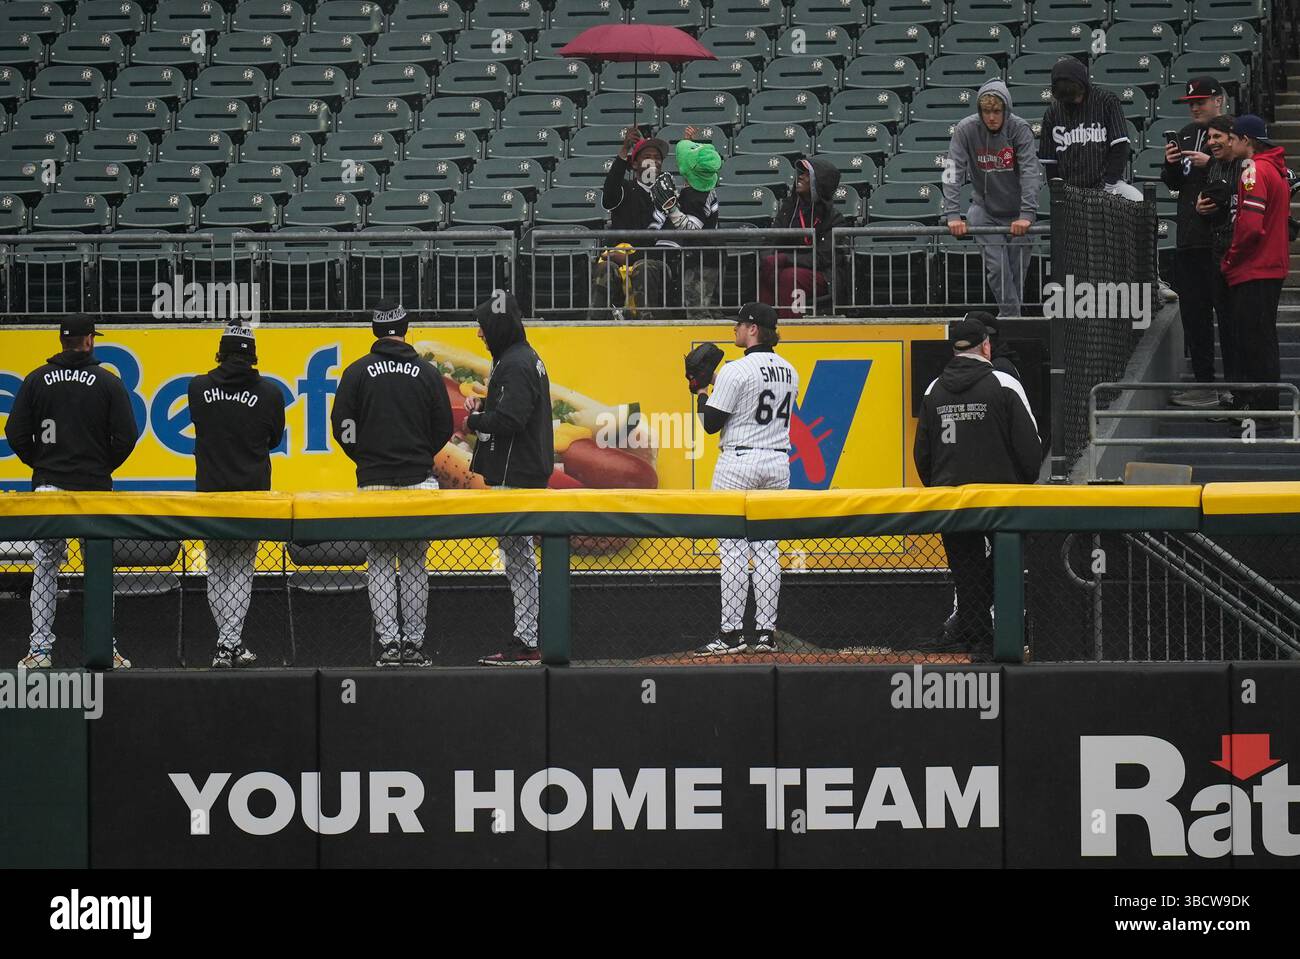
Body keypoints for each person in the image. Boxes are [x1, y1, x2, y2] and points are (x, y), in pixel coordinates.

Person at [3, 315, 137, 669]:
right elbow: (126, 436)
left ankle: (40, 650)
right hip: (94, 488)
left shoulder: (36, 380)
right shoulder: (107, 381)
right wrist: (101, 466)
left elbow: (15, 432)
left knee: (45, 567)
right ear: (89, 341)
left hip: (49, 486)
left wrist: (43, 462)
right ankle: (105, 648)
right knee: (99, 569)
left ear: (62, 342)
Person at [331, 299, 453, 666]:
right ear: (405, 328)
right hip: (418, 481)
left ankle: (389, 646)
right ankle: (414, 646)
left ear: (374, 331)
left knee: (381, 562)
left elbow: (342, 427)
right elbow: (444, 428)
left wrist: (366, 459)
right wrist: (418, 455)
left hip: (374, 483)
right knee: (415, 563)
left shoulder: (356, 372)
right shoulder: (428, 373)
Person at [913, 317, 1041, 660]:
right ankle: (994, 643)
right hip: (1001, 497)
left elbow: (921, 455)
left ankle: (979, 639)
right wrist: (1021, 485)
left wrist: (942, 487)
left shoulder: (933, 389)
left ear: (955, 349)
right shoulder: (1004, 383)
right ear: (986, 346)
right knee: (1004, 564)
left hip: (954, 498)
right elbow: (1031, 448)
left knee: (966, 571)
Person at [691, 302, 799, 656]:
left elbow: (711, 424)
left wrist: (702, 392)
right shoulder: (790, 370)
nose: (735, 329)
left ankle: (731, 635)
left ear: (753, 329)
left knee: (734, 551)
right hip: (777, 461)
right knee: (767, 550)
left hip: (739, 461)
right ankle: (766, 634)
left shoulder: (737, 370)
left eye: (739, 324)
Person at [187, 324, 286, 668]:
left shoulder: (198, 387)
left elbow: (201, 425)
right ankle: (228, 644)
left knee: (217, 569)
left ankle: (226, 644)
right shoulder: (271, 393)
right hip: (251, 491)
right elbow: (274, 440)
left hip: (211, 490)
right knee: (242, 569)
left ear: (221, 353)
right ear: (252, 356)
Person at [469, 294, 554, 666]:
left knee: (518, 561)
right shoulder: (519, 355)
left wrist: (474, 421)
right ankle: (527, 638)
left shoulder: (516, 362)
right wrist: (486, 408)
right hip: (521, 471)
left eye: (485, 327)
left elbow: (511, 421)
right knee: (519, 560)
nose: (480, 334)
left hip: (515, 477)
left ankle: (527, 641)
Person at [943, 80, 1043, 317]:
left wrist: (1027, 214)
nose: (991, 118)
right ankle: (1012, 319)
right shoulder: (966, 129)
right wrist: (952, 214)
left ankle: (1010, 317)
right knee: (998, 269)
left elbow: (1031, 171)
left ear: (1006, 110)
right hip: (984, 209)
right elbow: (952, 169)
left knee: (1017, 271)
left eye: (996, 111)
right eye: (986, 112)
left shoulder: (1020, 129)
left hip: (1017, 212)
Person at [1162, 77, 1230, 409]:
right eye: (1191, 102)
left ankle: (1236, 386)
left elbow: (1243, 171)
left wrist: (1213, 163)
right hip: (1189, 236)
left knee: (1228, 316)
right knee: (1195, 316)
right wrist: (1171, 163)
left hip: (1220, 240)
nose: (1195, 106)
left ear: (1218, 100)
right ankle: (1205, 384)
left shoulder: (1230, 132)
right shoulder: (1188, 134)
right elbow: (1174, 183)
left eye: (1201, 100)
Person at [1220, 114, 1290, 423]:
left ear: (1246, 141)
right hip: (1269, 267)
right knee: (1263, 339)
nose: (1229, 142)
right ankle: (1266, 409)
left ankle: (1259, 410)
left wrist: (1232, 258)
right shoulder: (1273, 169)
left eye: (1232, 138)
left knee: (1252, 341)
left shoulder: (1253, 171)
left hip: (1255, 268)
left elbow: (1249, 226)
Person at [594, 130, 672, 320]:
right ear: (635, 164)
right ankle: (596, 322)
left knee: (642, 267)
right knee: (605, 268)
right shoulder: (625, 189)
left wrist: (631, 258)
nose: (653, 161)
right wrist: (624, 151)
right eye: (647, 157)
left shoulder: (669, 196)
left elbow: (668, 243)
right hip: (618, 258)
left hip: (655, 262)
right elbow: (610, 191)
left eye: (657, 157)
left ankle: (645, 322)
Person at [760, 157, 846, 319]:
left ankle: (790, 327)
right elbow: (770, 240)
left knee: (789, 276)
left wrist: (785, 258)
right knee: (767, 269)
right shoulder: (787, 210)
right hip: (786, 266)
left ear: (819, 182)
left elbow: (823, 258)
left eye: (807, 174)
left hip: (823, 275)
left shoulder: (834, 218)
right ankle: (765, 327)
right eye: (801, 173)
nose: (800, 177)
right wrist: (768, 258)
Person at [1194, 114, 1241, 409]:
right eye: (1209, 138)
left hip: (1241, 255)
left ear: (1233, 137)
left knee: (1242, 327)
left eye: (1217, 137)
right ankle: (1236, 391)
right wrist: (1201, 205)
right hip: (1218, 251)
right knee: (1225, 325)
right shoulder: (1215, 167)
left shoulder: (1246, 166)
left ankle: (1249, 395)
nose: (1212, 143)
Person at [1038, 57, 1135, 197]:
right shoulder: (1052, 113)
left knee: (1142, 206)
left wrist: (1108, 184)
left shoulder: (1106, 101)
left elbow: (1121, 146)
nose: (1074, 102)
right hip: (1071, 193)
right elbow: (1051, 165)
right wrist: (1060, 194)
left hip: (1109, 186)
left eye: (1076, 96)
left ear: (1083, 86)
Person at [653, 130, 722, 319]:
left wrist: (672, 209)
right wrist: (689, 142)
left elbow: (693, 228)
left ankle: (707, 343)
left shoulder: (696, 196)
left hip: (702, 259)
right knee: (708, 306)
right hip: (705, 257)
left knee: (697, 307)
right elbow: (695, 164)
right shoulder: (701, 188)